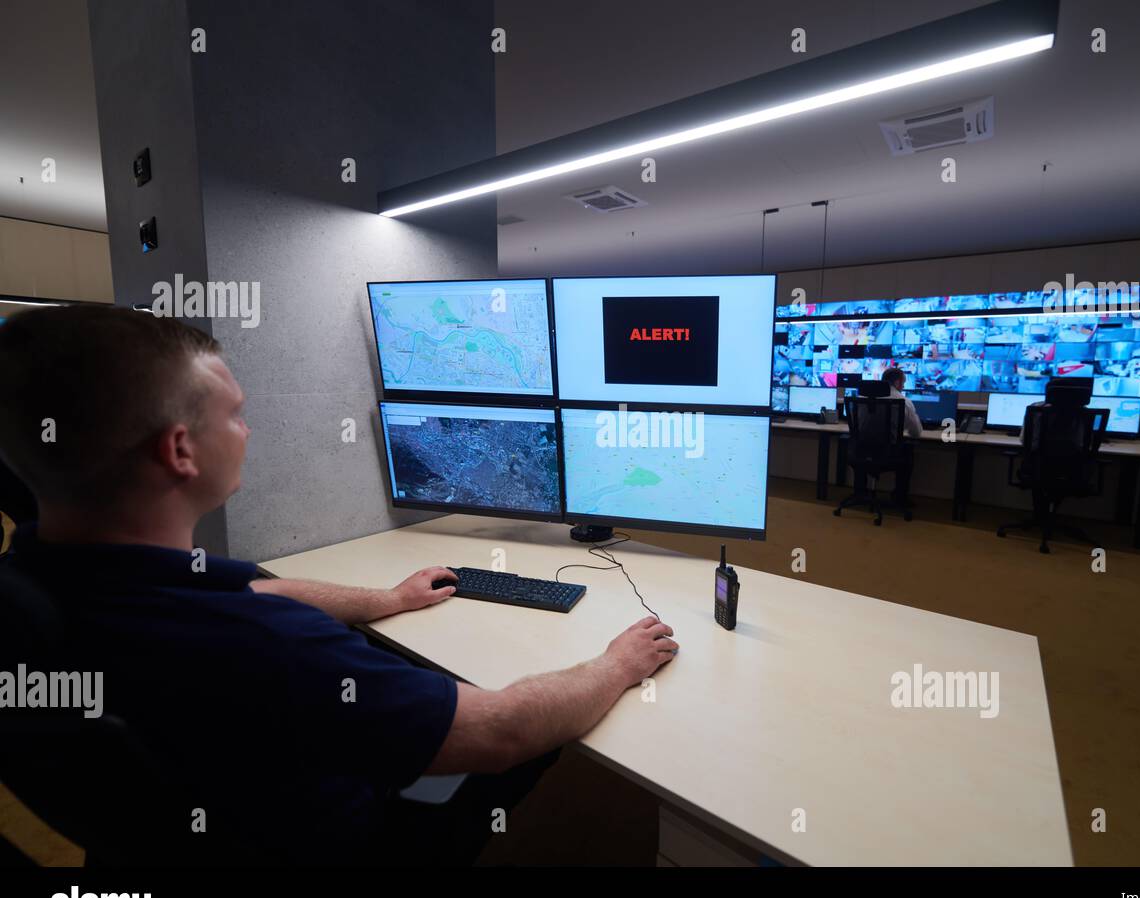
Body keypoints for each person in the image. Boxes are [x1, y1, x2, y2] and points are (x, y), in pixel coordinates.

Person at [0, 305, 678, 865]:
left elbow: (256, 594)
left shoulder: (33, 586)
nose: (248, 429)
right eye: (234, 413)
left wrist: (387, 602)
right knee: (544, 734)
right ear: (181, 451)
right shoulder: (265, 646)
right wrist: (616, 663)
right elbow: (497, 731)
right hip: (352, 847)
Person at [880, 367, 920, 507]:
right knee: (908, 450)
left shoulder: (862, 397)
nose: (903, 387)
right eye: (903, 383)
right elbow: (916, 433)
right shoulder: (903, 401)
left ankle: (860, 492)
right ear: (897, 383)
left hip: (861, 452)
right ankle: (900, 497)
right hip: (888, 455)